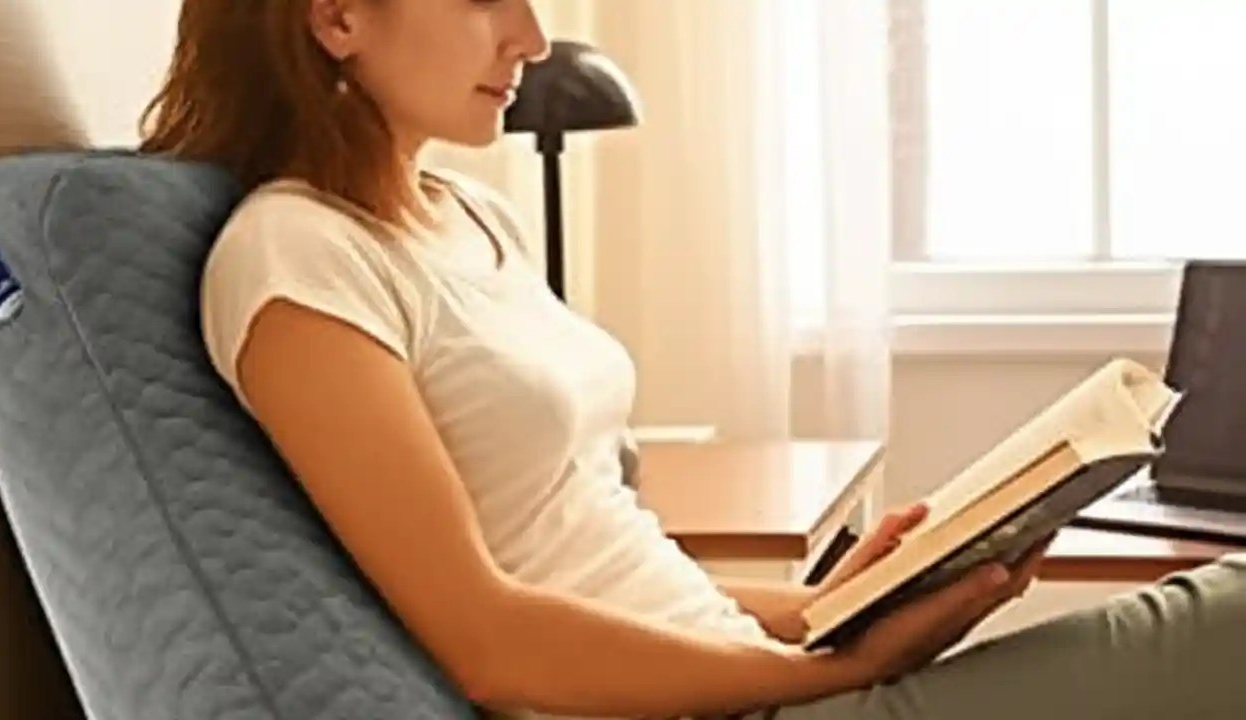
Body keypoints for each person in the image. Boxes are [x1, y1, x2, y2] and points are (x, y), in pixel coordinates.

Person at [139, 1, 1246, 718]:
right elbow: (487, 639)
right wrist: (829, 669)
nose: (527, 36)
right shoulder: (294, 259)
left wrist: (831, 608)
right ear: (334, 14)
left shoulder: (471, 218)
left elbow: (596, 557)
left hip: (744, 682)